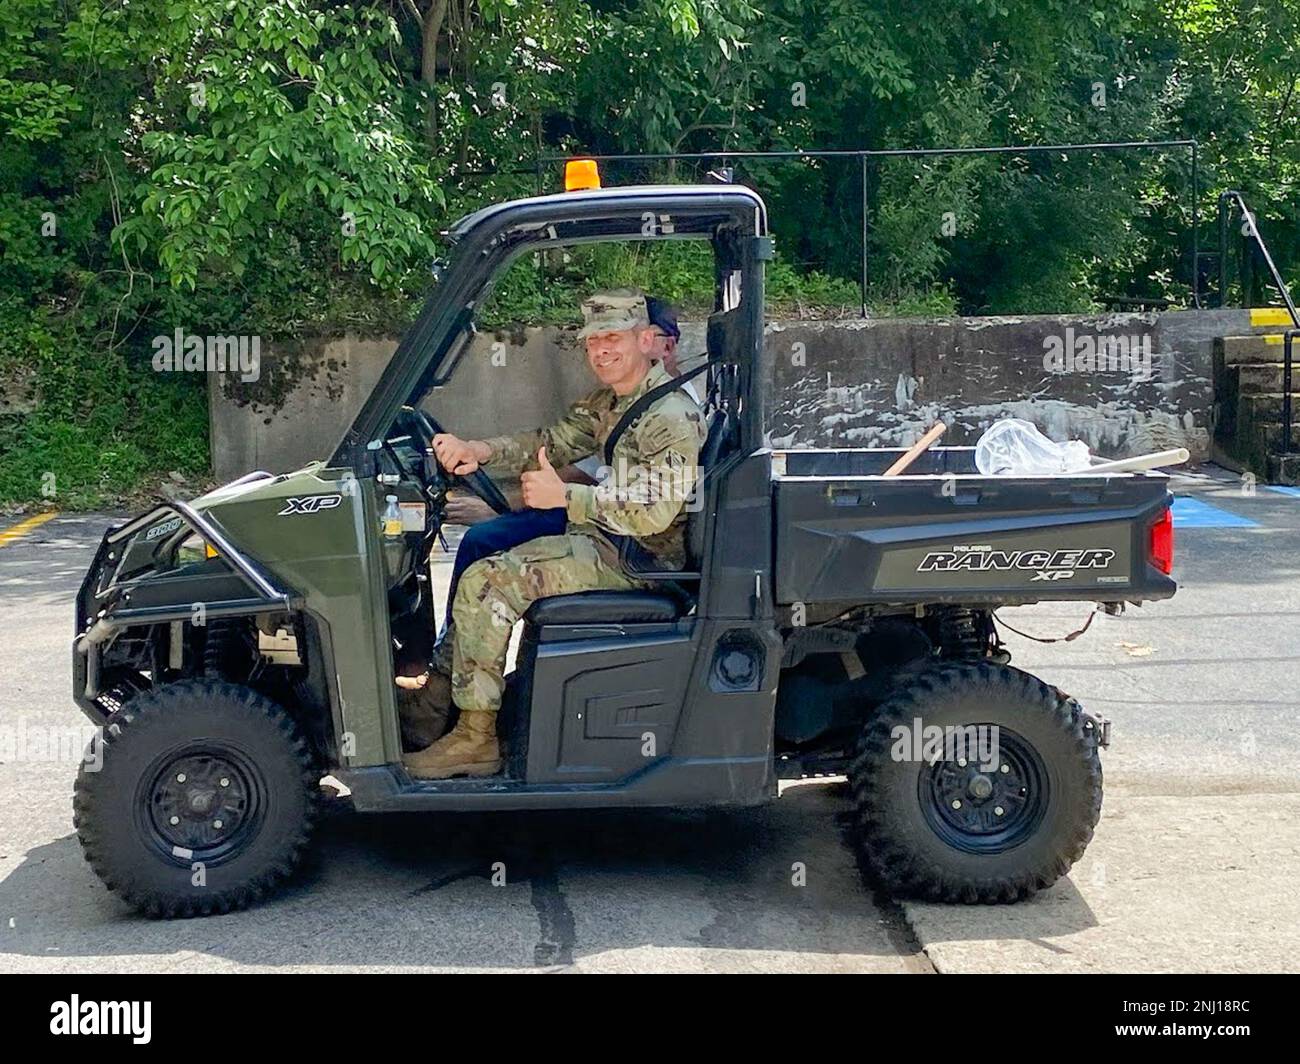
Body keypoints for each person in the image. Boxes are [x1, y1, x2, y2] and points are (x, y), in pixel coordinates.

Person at [402, 289, 704, 779]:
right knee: (485, 558)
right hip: (607, 541)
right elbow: (551, 441)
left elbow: (654, 512)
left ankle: (475, 741)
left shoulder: (670, 417)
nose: (601, 350)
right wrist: (479, 450)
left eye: (613, 338)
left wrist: (565, 498)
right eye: (593, 342)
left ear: (647, 340)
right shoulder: (615, 401)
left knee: (488, 583)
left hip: (640, 561)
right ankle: (440, 704)